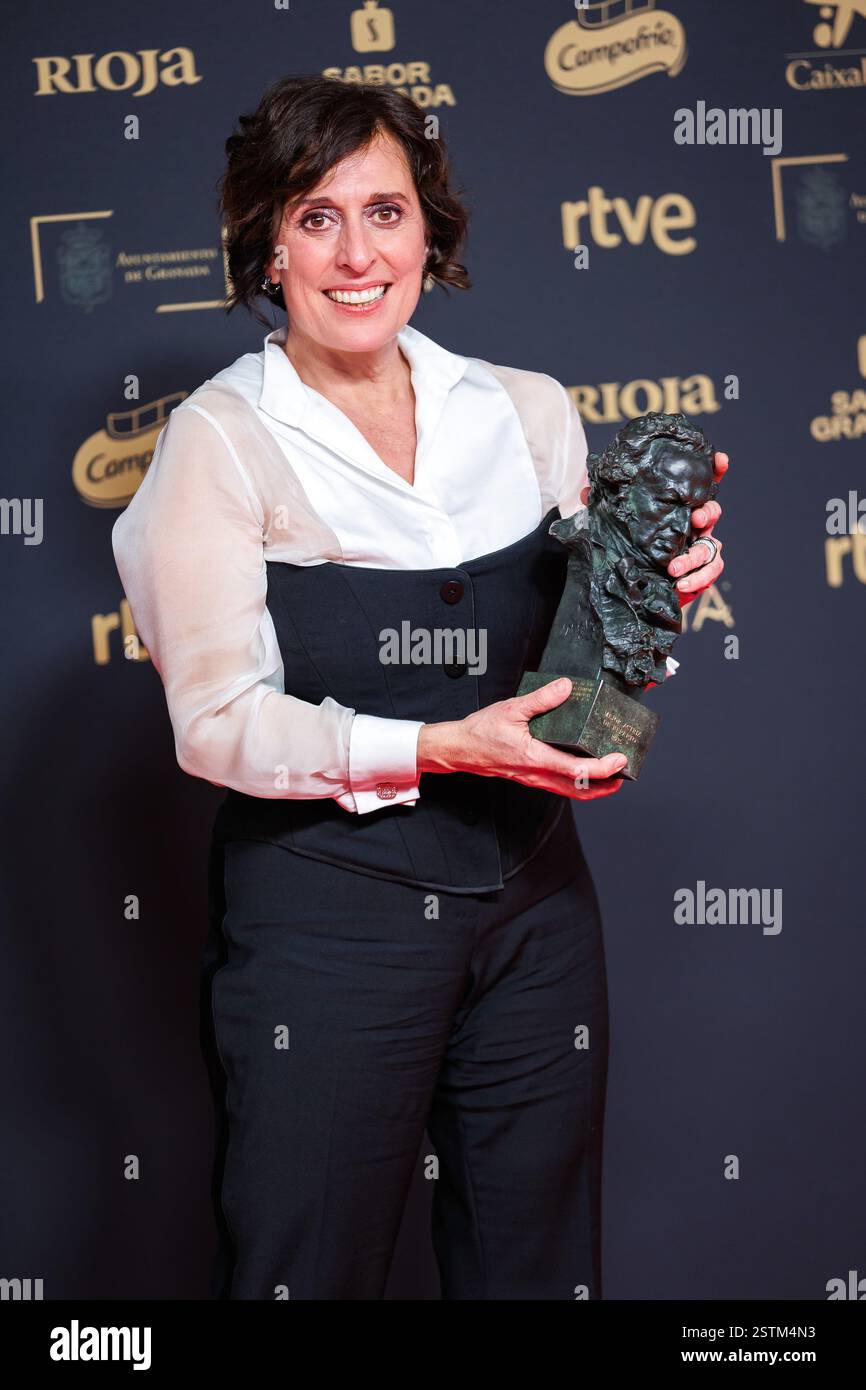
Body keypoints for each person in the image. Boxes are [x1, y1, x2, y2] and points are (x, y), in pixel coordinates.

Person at [111, 74, 726, 1301]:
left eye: (384, 212)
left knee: (540, 1267)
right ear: (265, 245)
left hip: (537, 911)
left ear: (426, 233)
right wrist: (439, 745)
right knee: (310, 1266)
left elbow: (579, 642)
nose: (355, 253)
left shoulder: (526, 410)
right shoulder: (219, 441)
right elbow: (214, 722)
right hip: (324, 925)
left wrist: (661, 586)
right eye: (314, 215)